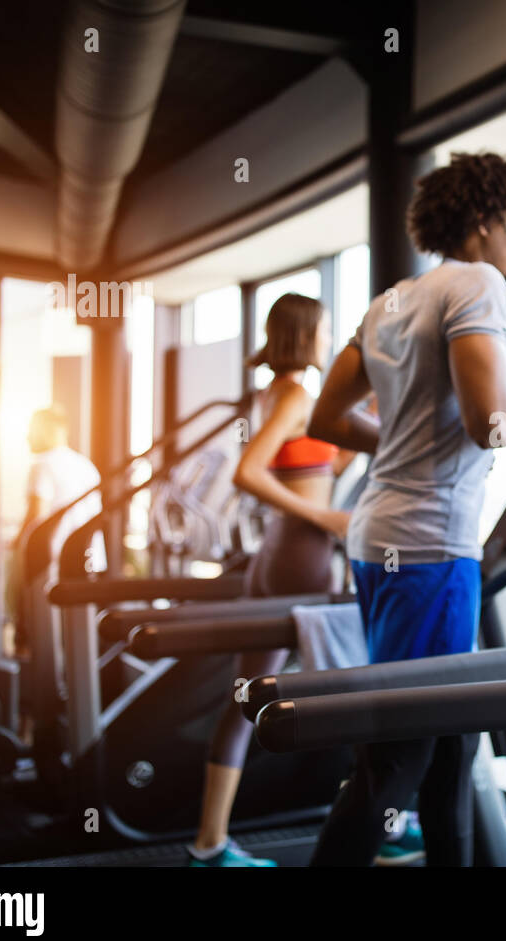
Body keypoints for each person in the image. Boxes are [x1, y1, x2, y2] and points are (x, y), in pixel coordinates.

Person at [306, 151, 506, 866]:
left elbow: (326, 417)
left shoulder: (391, 299)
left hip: (378, 533)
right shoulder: (478, 283)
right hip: (429, 547)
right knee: (403, 754)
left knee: (450, 737)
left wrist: (401, 450)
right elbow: (489, 425)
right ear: (484, 222)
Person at [187, 292, 352, 867]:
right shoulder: (297, 394)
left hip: (276, 554)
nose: (328, 341)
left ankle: (209, 843)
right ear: (307, 334)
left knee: (245, 699)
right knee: (354, 685)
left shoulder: (276, 393)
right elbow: (247, 472)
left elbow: (316, 467)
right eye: (324, 331)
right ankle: (386, 817)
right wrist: (326, 517)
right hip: (300, 553)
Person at [11, 406, 106, 655]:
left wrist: (16, 547)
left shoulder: (41, 465)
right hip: (88, 562)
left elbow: (36, 519)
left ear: (46, 431)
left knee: (43, 639)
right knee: (76, 638)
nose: (27, 437)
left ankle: (33, 685)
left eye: (32, 431)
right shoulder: (85, 465)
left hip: (51, 564)